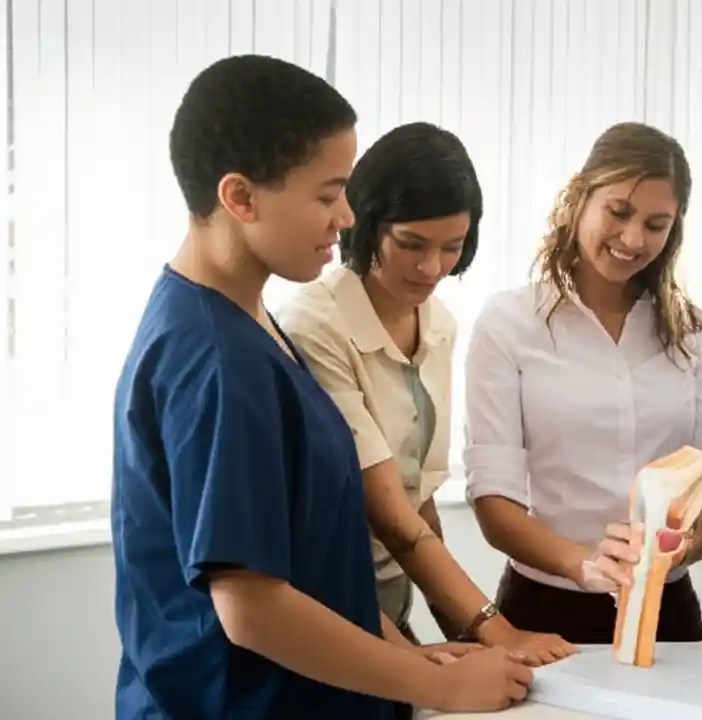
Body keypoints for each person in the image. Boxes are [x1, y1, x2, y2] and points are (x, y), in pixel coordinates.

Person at [111, 55, 531, 719]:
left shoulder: (253, 324)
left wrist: (408, 657)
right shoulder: (216, 357)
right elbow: (251, 608)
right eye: (328, 194)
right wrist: (436, 687)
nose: (344, 218)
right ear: (240, 197)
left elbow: (316, 562)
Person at [278, 121, 575, 680]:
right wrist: (496, 627)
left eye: (451, 247)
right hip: (331, 610)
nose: (432, 268)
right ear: (364, 225)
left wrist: (468, 635)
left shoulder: (438, 323)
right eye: (411, 244)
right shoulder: (314, 325)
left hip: (393, 612)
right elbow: (387, 514)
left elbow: (419, 502)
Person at [464, 121, 702, 643]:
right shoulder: (509, 324)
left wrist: (682, 546)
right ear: (579, 196)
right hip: (542, 609)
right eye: (618, 212)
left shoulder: (694, 333)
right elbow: (494, 503)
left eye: (656, 224)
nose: (633, 239)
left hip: (668, 611)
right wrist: (585, 564)